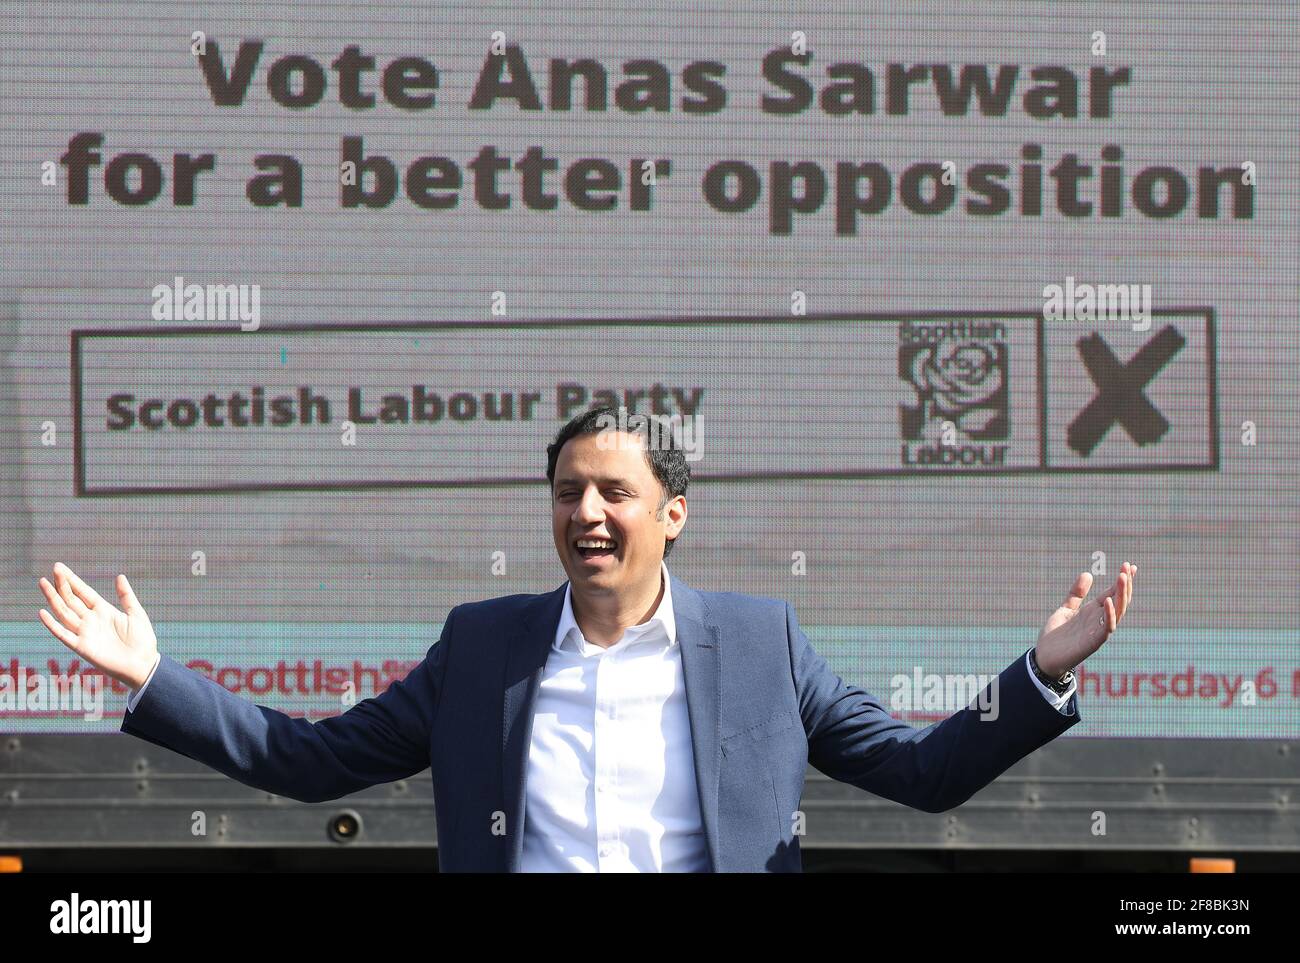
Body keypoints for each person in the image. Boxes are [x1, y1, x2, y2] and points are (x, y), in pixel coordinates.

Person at [36, 404, 1136, 872]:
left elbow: (920, 772)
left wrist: (1036, 674)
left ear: (673, 512)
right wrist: (154, 679)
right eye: (568, 492)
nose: (587, 514)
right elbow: (311, 762)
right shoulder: (485, 650)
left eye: (615, 491)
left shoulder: (760, 645)